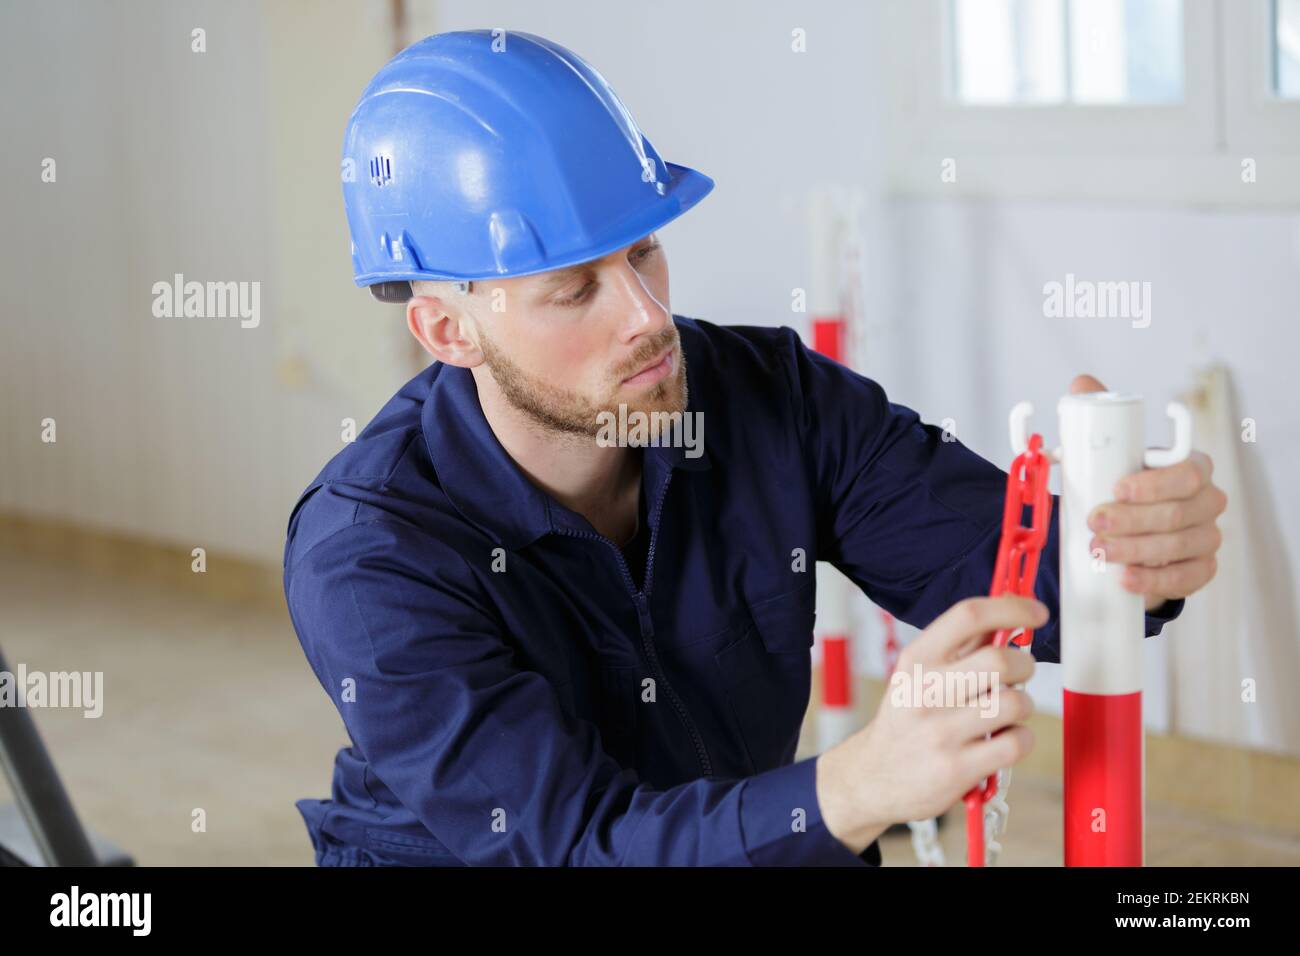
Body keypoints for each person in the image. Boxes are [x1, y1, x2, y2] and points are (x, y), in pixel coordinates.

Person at [284, 30, 1226, 866]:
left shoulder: (767, 399)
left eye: (644, 250)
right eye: (575, 289)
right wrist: (856, 788)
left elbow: (1013, 575)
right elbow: (578, 845)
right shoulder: (369, 558)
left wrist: (1131, 548)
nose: (649, 320)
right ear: (448, 330)